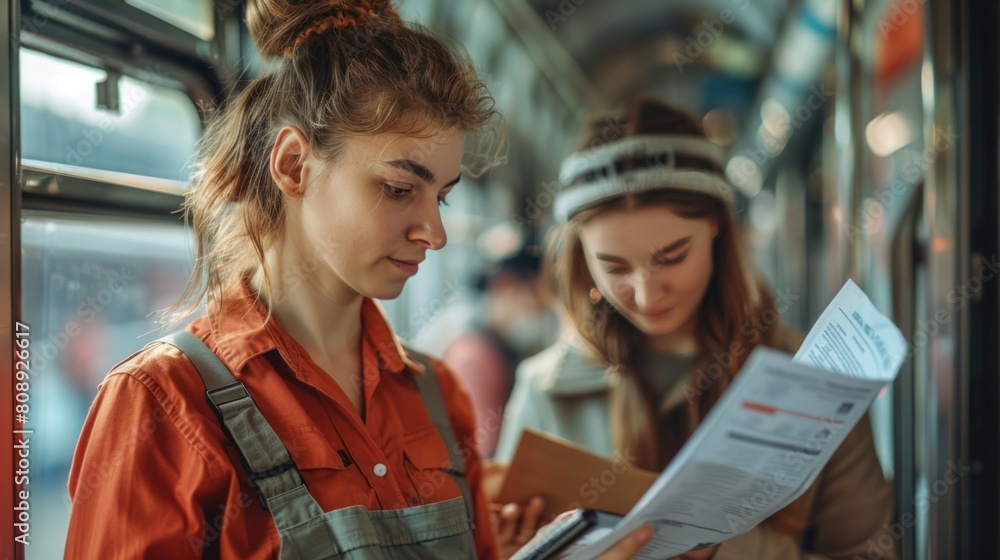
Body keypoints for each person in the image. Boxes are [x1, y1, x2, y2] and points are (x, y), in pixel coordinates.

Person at [63, 1, 651, 558]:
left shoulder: (438, 396)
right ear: (294, 165)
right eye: (399, 189)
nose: (435, 233)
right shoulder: (163, 404)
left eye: (441, 198)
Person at [494, 98, 895, 560]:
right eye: (614, 267)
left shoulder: (814, 380)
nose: (646, 295)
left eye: (671, 257)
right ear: (582, 258)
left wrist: (720, 553)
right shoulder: (544, 391)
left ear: (716, 228)